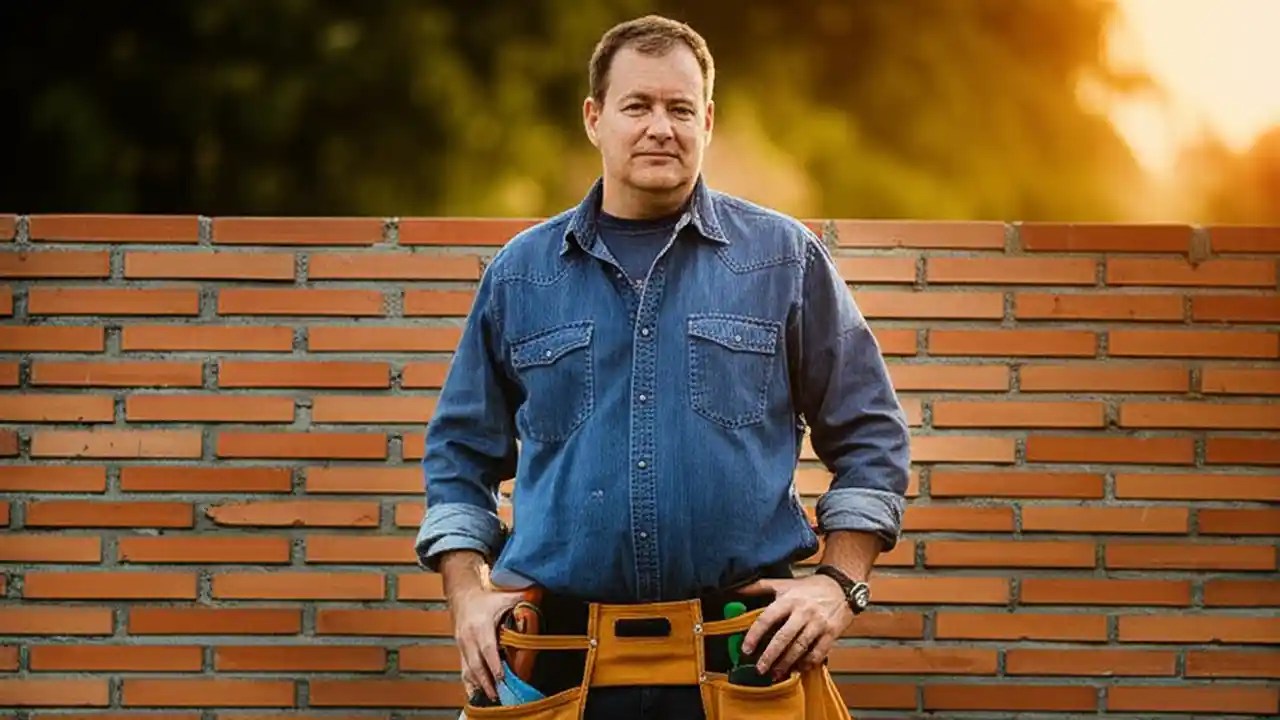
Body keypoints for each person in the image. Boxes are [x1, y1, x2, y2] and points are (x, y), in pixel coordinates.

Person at [415, 13, 910, 719]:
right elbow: (458, 455)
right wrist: (466, 594)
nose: (660, 126)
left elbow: (871, 436)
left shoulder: (783, 261)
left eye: (680, 108)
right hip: (555, 666)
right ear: (594, 119)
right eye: (637, 106)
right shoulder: (520, 276)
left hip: (747, 660)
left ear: (707, 120)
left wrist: (839, 582)